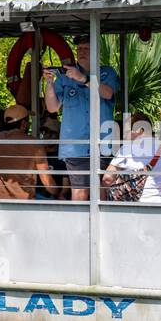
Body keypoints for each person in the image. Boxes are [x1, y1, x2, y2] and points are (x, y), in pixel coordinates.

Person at [43, 38, 119, 201]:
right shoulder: (65, 77)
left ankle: (102, 227)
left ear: (96, 52)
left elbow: (108, 93)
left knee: (101, 191)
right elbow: (52, 107)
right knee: (79, 192)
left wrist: (83, 79)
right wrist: (49, 83)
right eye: (79, 49)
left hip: (102, 143)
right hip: (75, 146)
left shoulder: (107, 72)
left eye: (86, 48)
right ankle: (77, 227)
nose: (81, 52)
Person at [103, 113, 161, 203]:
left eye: (128, 132)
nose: (126, 136)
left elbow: (107, 178)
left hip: (135, 207)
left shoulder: (127, 148)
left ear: (140, 130)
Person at [0, 105, 57, 199]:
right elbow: (47, 182)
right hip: (24, 203)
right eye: (28, 122)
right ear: (23, 123)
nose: (28, 124)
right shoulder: (34, 144)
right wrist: (60, 192)